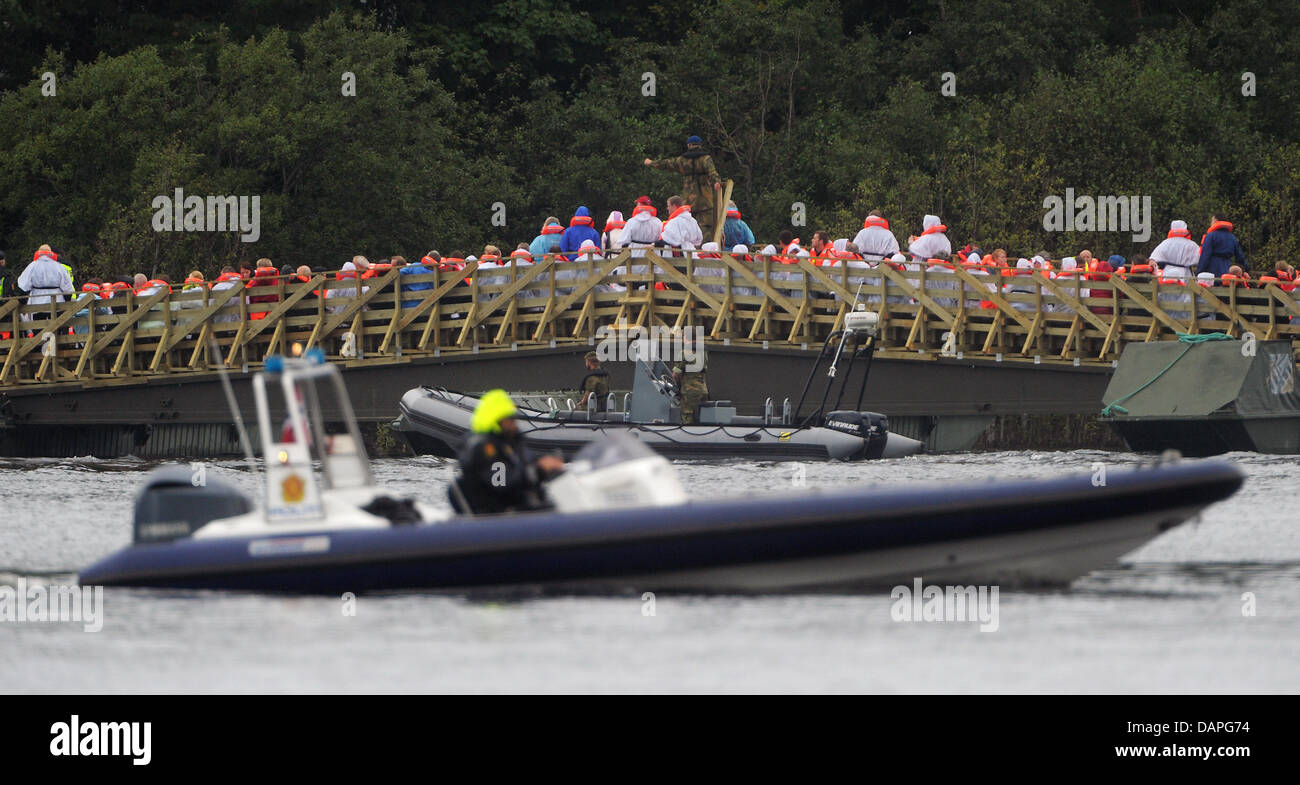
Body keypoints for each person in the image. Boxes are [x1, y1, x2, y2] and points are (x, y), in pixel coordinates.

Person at [451, 389, 565, 515]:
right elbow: (502, 484)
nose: (514, 423)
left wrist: (546, 464)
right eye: (509, 419)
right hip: (496, 514)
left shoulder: (511, 442)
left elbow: (527, 462)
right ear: (497, 420)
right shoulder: (486, 449)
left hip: (521, 509)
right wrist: (538, 470)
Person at [644, 135, 723, 241]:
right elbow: (712, 172)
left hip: (688, 201)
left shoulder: (682, 160)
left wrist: (651, 162)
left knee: (686, 225)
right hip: (705, 199)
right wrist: (716, 182)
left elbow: (667, 164)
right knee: (705, 228)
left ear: (689, 145)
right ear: (700, 145)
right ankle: (704, 251)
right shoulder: (705, 159)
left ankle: (688, 249)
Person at [17, 245, 73, 315]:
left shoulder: (32, 266)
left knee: (40, 325)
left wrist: (21, 302)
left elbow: (23, 286)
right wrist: (67, 301)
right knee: (57, 324)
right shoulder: (59, 266)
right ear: (50, 252)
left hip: (37, 304)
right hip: (57, 304)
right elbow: (67, 287)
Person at [672, 330, 708, 424]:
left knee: (687, 418)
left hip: (689, 392)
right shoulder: (703, 352)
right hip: (703, 390)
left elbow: (676, 374)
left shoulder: (684, 353)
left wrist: (677, 387)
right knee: (702, 419)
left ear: (685, 337)